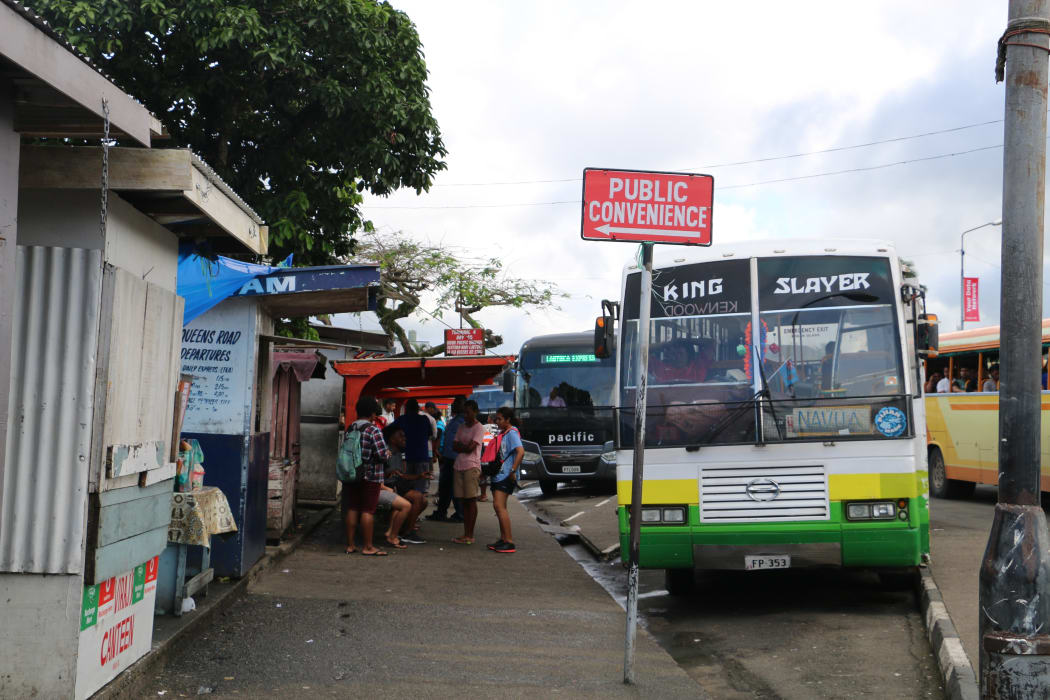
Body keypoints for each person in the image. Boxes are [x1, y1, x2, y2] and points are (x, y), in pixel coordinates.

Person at [342, 395, 391, 556]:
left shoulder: (351, 427)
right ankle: (368, 546)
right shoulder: (373, 429)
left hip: (351, 474)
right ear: (371, 413)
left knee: (352, 508)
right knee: (368, 510)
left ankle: (350, 545)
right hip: (370, 476)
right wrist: (388, 453)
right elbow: (381, 455)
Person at [391, 399, 433, 544]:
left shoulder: (402, 419)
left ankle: (408, 523)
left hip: (408, 457)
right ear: (418, 408)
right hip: (421, 456)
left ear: (407, 409)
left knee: (417, 495)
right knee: (419, 493)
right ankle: (409, 527)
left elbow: (390, 430)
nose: (403, 437)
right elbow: (430, 435)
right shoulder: (424, 420)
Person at [488, 406, 524, 553]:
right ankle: (503, 539)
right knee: (499, 507)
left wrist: (513, 470)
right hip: (500, 474)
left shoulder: (512, 433)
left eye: (499, 419)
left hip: (506, 475)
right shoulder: (505, 433)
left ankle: (509, 541)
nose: (497, 422)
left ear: (507, 419)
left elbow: (520, 452)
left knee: (499, 506)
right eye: (496, 419)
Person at [451, 399, 486, 545]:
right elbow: (455, 446)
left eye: (468, 412)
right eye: (464, 412)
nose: (465, 415)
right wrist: (464, 446)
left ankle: (470, 534)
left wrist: (462, 446)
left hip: (472, 466)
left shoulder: (479, 428)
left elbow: (470, 447)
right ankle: (466, 533)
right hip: (459, 465)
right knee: (464, 501)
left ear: (475, 412)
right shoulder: (461, 427)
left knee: (470, 500)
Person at [428, 397, 465, 522]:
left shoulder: (463, 422)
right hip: (448, 457)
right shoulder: (455, 420)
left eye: (456, 403)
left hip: (455, 458)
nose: (453, 405)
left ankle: (460, 514)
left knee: (454, 487)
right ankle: (441, 512)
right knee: (445, 487)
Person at [378, 425, 413, 550]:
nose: (404, 438)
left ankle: (392, 533)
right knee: (405, 505)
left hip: (392, 486)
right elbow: (379, 477)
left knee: (405, 503)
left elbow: (401, 474)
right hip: (383, 487)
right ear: (391, 439)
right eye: (401, 436)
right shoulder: (385, 453)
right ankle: (392, 536)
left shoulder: (398, 453)